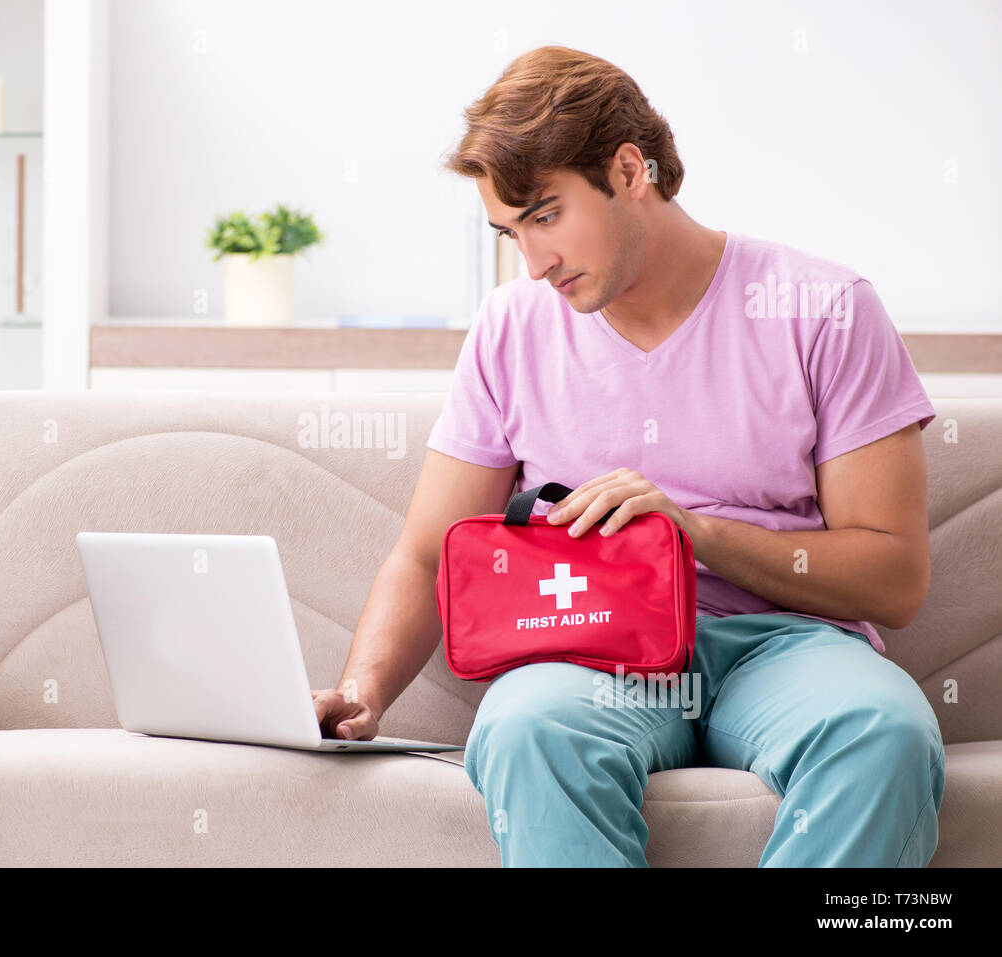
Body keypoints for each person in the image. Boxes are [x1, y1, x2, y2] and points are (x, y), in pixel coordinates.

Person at [312, 45, 944, 867]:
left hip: (788, 645)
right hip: (593, 649)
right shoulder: (511, 329)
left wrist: (695, 533)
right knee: (524, 728)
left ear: (628, 168)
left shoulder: (822, 311)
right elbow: (430, 548)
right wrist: (361, 694)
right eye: (509, 232)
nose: (533, 264)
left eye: (545, 216)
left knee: (885, 734)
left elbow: (895, 580)